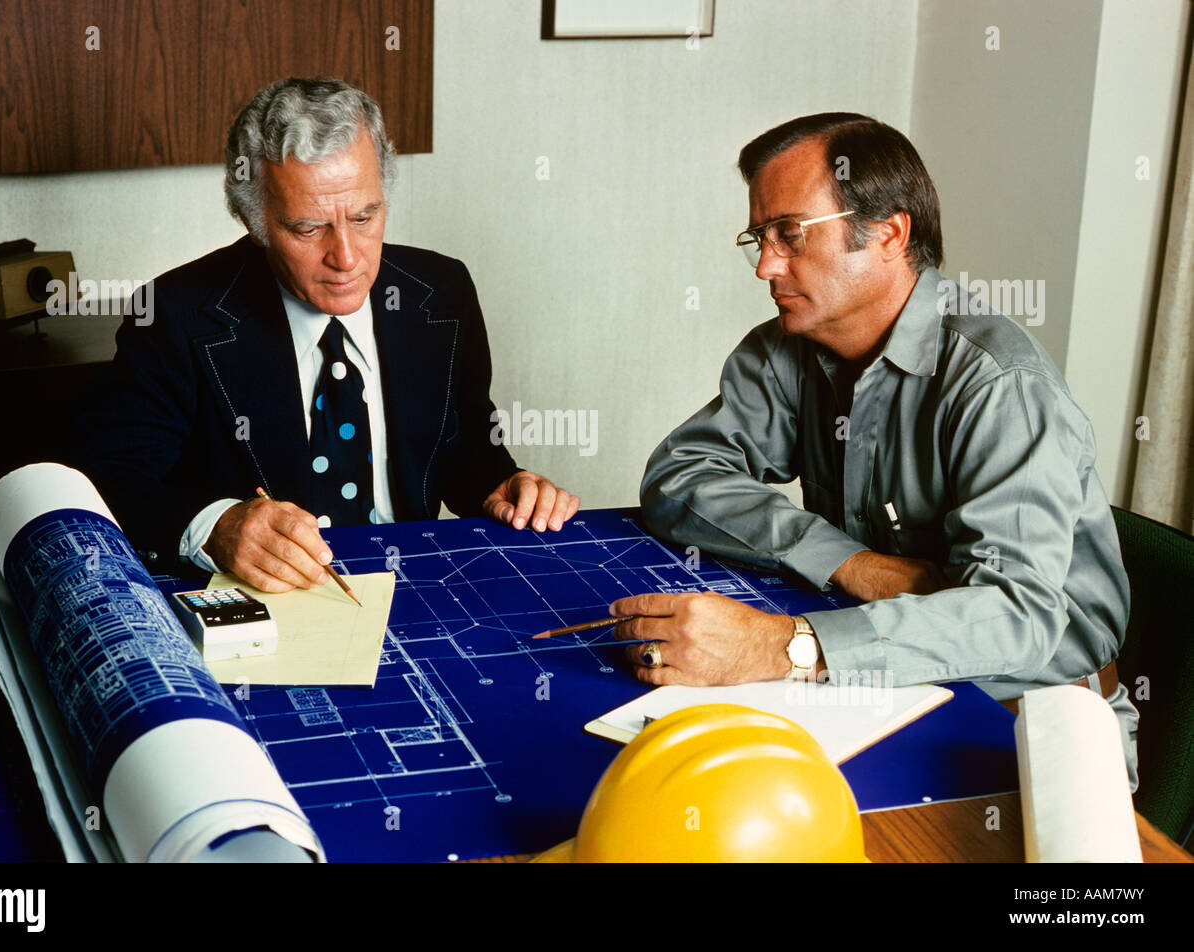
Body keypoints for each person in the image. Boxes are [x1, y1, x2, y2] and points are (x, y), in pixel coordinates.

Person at [611, 113, 1137, 786]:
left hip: (1029, 717)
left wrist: (784, 645)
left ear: (888, 233)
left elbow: (1018, 618)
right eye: (759, 239)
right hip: (871, 683)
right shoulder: (783, 351)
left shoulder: (1000, 384)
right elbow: (681, 476)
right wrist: (847, 563)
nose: (767, 266)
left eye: (790, 235)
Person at [71, 77, 577, 591]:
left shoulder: (442, 292)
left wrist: (505, 486)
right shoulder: (174, 315)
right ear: (254, 219)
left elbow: (467, 450)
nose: (346, 257)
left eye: (364, 216)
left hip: (417, 586)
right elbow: (111, 482)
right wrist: (216, 525)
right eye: (308, 229)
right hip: (268, 600)